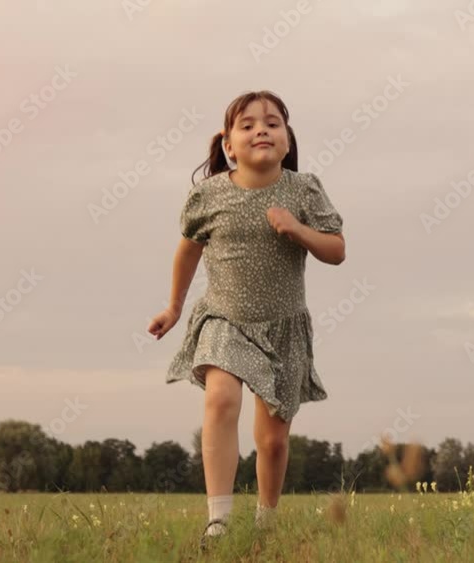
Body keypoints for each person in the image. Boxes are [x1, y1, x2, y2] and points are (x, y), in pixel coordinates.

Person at [146, 90, 346, 546]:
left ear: (287, 140)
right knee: (219, 399)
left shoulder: (303, 189)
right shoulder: (209, 195)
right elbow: (188, 250)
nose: (262, 130)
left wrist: (299, 230)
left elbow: (337, 250)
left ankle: (266, 522)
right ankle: (218, 520)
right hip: (224, 319)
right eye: (249, 124)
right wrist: (174, 307)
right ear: (228, 145)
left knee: (273, 441)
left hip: (284, 327)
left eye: (273, 123)